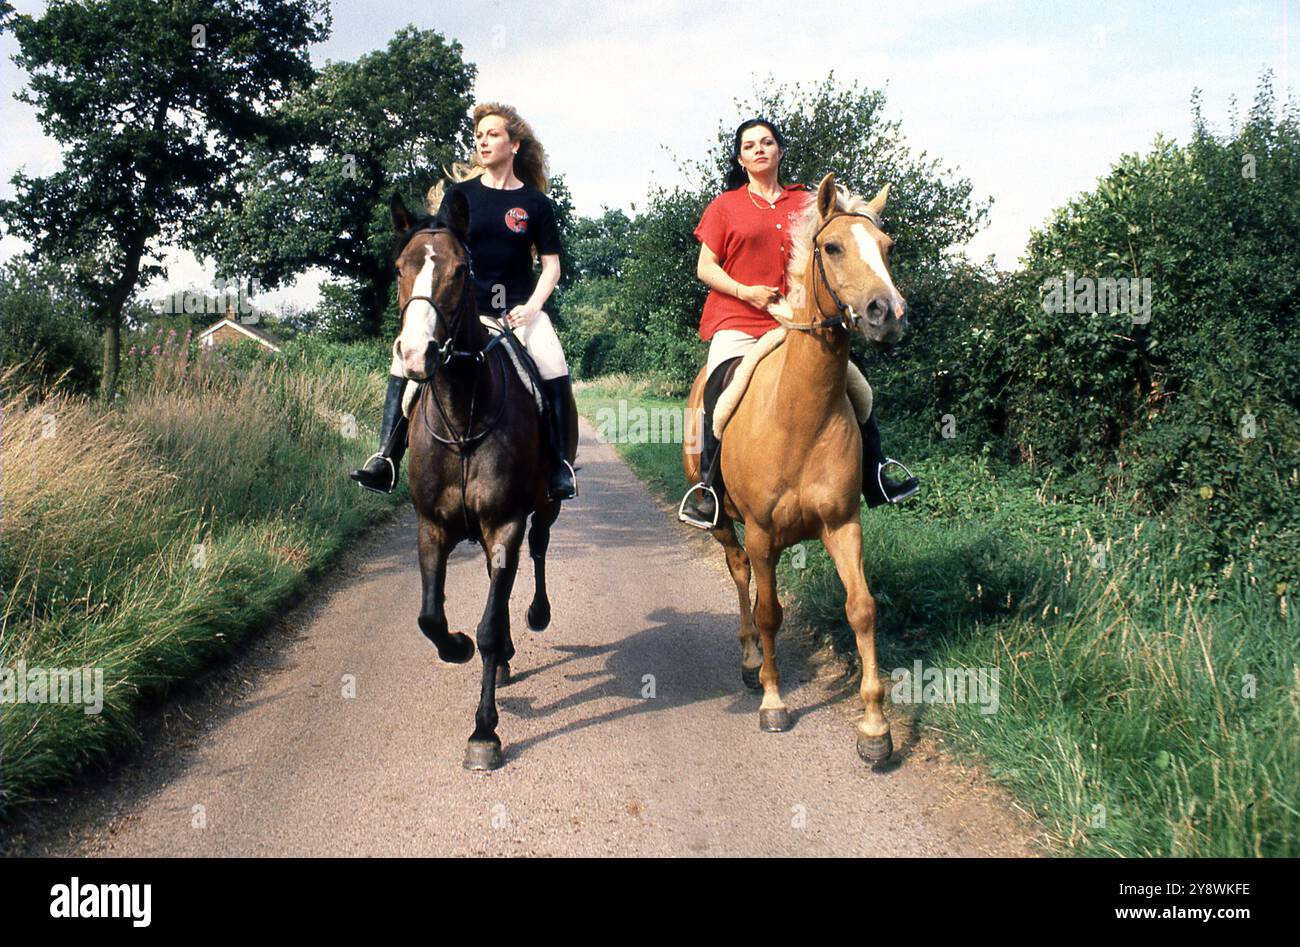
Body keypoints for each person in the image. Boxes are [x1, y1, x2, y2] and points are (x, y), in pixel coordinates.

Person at [678, 118, 919, 528]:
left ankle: (878, 472)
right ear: (740, 158)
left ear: (779, 151)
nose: (759, 149)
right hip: (738, 320)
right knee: (719, 390)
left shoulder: (806, 203)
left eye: (767, 142)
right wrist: (745, 291)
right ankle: (708, 490)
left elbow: (841, 243)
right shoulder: (725, 207)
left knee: (857, 387)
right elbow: (706, 268)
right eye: (750, 145)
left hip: (795, 321)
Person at [351, 102, 577, 500]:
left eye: (492, 134)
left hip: (520, 312)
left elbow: (552, 268)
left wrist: (533, 308)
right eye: (478, 136)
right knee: (403, 359)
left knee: (553, 363)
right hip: (465, 313)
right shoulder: (461, 196)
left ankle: (558, 465)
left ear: (515, 144)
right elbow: (437, 253)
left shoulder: (536, 204)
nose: (482, 141)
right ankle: (385, 457)